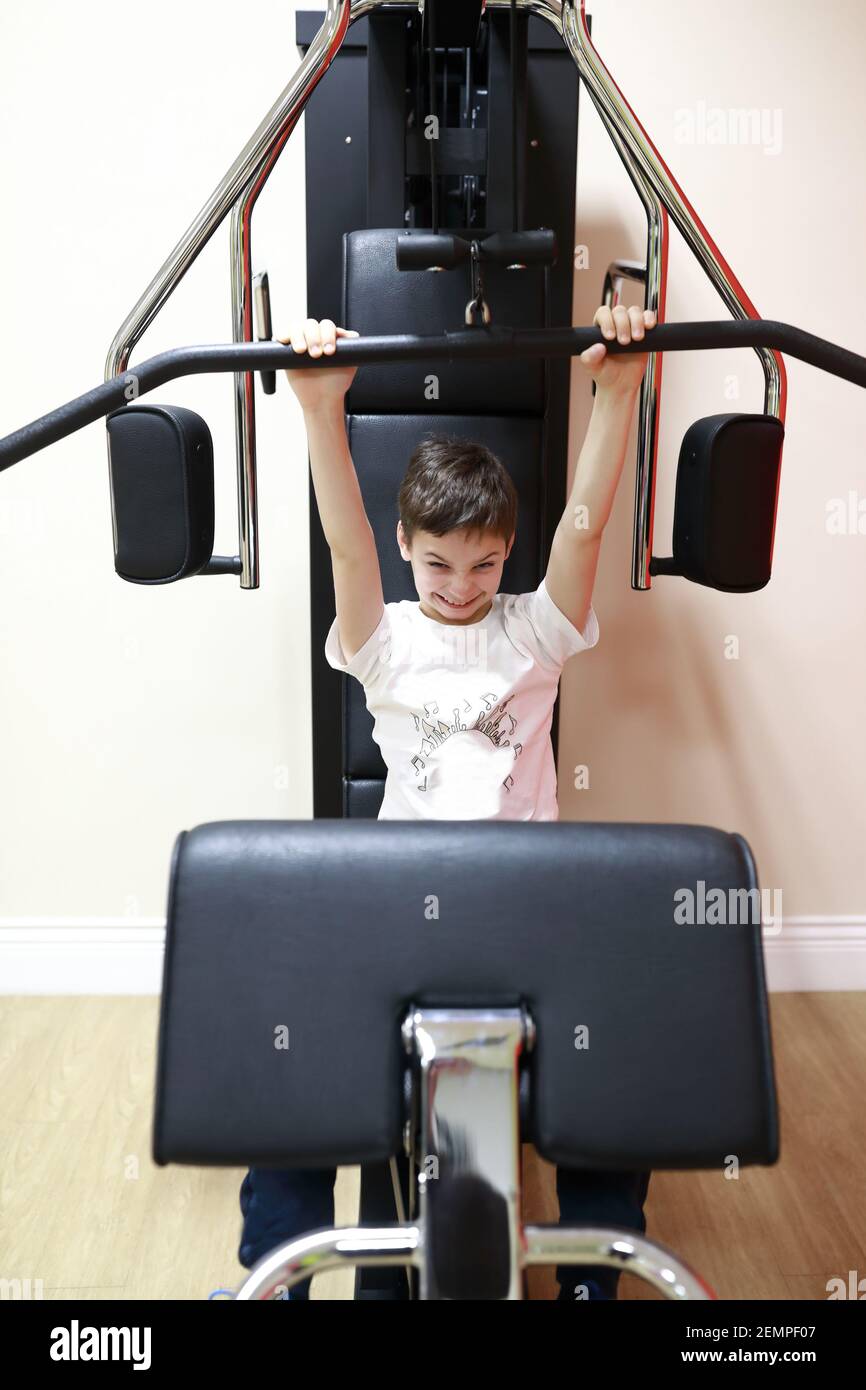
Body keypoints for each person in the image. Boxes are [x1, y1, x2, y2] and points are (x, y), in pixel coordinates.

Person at [238, 303, 657, 1299]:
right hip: (402, 915)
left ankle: (593, 1278)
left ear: (506, 549)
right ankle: (275, 1276)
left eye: (481, 563)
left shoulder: (536, 630)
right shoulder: (382, 637)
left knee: (626, 1047)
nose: (460, 585)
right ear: (406, 546)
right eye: (434, 562)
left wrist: (617, 393)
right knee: (288, 1051)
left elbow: (585, 523)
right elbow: (345, 547)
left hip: (533, 910)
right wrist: (316, 408)